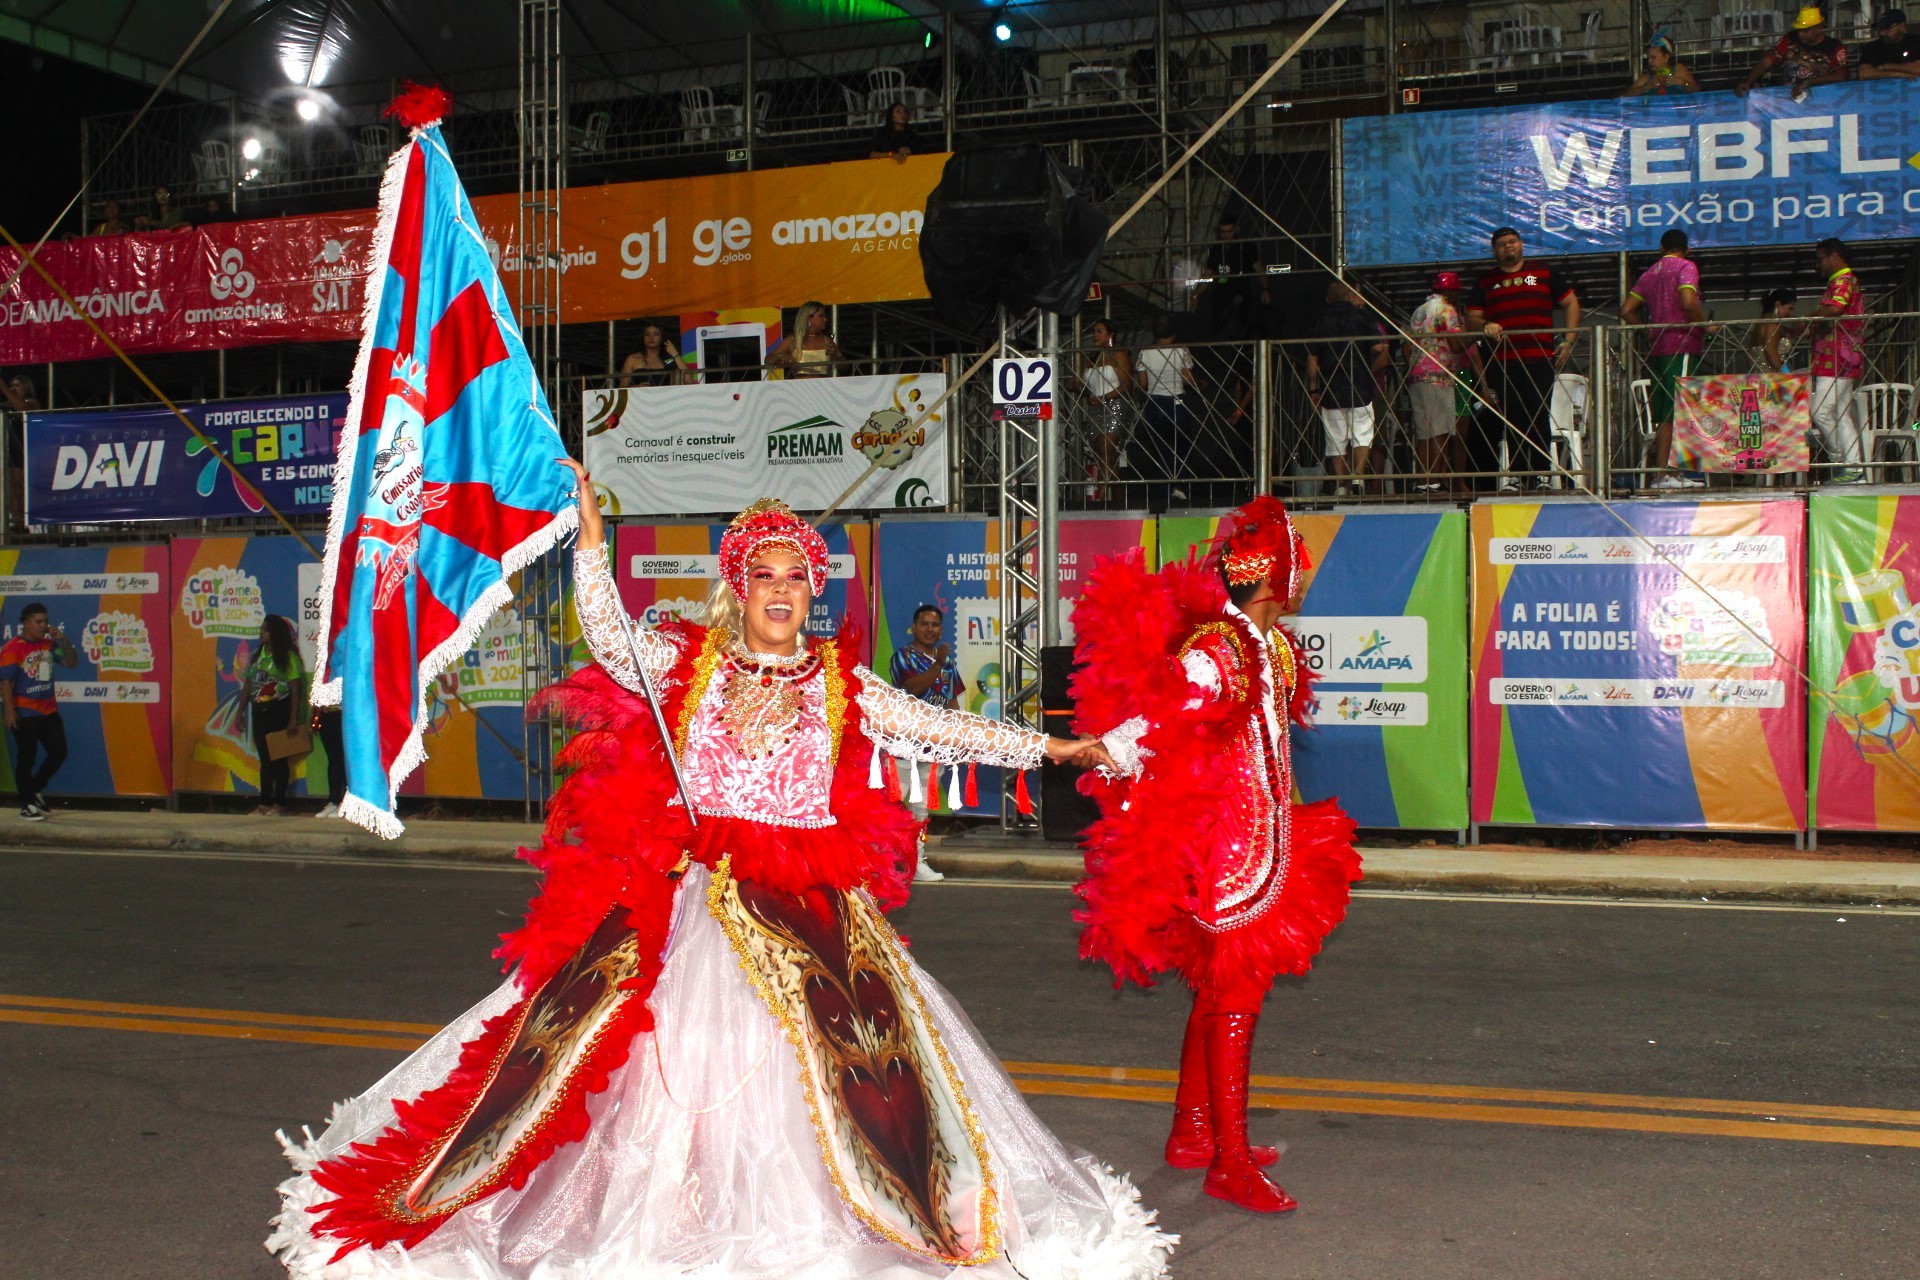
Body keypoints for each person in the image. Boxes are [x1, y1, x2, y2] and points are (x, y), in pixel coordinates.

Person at [269, 470, 1176, 1279]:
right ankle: (663, 1212)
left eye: (796, 578)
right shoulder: (686, 662)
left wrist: (1065, 745)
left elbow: (950, 731)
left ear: (813, 592)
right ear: (736, 589)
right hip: (690, 894)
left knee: (840, 1070)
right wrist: (590, 535)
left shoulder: (842, 684)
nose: (781, 592)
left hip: (810, 902)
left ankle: (828, 1220)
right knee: (626, 1058)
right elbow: (611, 639)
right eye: (764, 577)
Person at [1070, 495, 1362, 1214]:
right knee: (1235, 994)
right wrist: (1113, 755)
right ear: (1273, 575)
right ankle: (1228, 1162)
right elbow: (1155, 713)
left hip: (1266, 835)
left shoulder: (1274, 647)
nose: (1303, 570)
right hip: (1222, 848)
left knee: (1222, 990)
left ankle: (1191, 1132)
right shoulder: (1217, 650)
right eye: (1297, 556)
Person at [1465, 226, 1581, 493]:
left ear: (1521, 245)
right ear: (1495, 250)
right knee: (1512, 417)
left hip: (1539, 358)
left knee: (1538, 414)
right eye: (1503, 244)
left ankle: (1541, 475)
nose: (1509, 247)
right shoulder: (1485, 281)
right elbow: (1471, 317)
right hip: (1504, 360)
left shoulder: (1544, 272)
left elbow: (1571, 303)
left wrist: (1569, 340)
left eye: (1513, 242)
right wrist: (1486, 324)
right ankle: (1516, 476)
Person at [1620, 229, 1709, 489]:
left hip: (1658, 347)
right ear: (1687, 249)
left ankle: (1662, 473)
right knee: (1680, 409)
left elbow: (1626, 310)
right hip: (1681, 342)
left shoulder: (1650, 273)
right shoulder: (1686, 266)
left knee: (1664, 412)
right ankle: (1670, 473)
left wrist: (1647, 331)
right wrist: (1704, 325)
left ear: (1661, 248)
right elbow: (1688, 301)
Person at [888, 603, 967, 882]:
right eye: (925, 624)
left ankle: (916, 861)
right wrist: (937, 663)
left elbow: (952, 698)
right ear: (914, 627)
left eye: (935, 625)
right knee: (893, 803)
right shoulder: (903, 657)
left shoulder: (947, 662)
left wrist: (958, 733)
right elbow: (913, 688)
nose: (930, 629)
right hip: (904, 742)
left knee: (921, 808)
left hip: (934, 744)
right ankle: (883, 862)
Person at [1306, 278, 1389, 496]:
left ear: (1328, 299)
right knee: (1362, 433)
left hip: (1331, 388)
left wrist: (1314, 389)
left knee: (1335, 437)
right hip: (1360, 385)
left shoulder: (1321, 321)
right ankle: (1358, 478)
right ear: (1348, 296)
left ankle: (1341, 484)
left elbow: (1312, 361)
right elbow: (1380, 347)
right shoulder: (1361, 316)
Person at [0, 603, 77, 820]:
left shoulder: (49, 645)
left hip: (48, 709)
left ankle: (33, 790)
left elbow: (71, 662)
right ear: (26, 623)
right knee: (27, 758)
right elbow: (5, 681)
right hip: (24, 711)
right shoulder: (13, 647)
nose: (43, 625)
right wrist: (9, 710)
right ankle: (26, 805)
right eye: (38, 622)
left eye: (45, 621)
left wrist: (62, 640)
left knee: (59, 751)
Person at [1810, 237, 1868, 483]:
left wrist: (1810, 317)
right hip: (1843, 357)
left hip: (1837, 356)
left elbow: (1834, 309)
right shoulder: (1844, 279)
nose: (1818, 265)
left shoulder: (1842, 279)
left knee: (1820, 411)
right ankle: (1853, 467)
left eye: (1820, 259)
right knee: (1840, 414)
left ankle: (1841, 461)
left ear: (1833, 255)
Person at [1406, 270, 1469, 492]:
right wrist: (1474, 335)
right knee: (1440, 431)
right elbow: (1455, 345)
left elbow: (1407, 345)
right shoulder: (1447, 310)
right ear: (1452, 292)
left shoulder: (1418, 311)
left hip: (1416, 376)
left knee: (1423, 432)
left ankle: (1423, 481)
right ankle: (1434, 481)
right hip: (1438, 375)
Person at [246, 614, 306, 816]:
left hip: (279, 710)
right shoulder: (257, 655)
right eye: (261, 628)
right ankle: (264, 802)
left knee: (279, 758)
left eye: (265, 629)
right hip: (259, 712)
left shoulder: (288, 657)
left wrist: (292, 719)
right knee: (265, 759)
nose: (260, 632)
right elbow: (248, 686)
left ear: (276, 633)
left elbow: (295, 690)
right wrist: (239, 712)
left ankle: (279, 804)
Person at [1135, 317, 1194, 509]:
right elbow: (1187, 379)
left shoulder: (1145, 352)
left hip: (1155, 403)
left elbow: (1143, 384)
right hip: (1177, 402)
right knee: (1181, 448)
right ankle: (1180, 486)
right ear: (1173, 334)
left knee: (1159, 450)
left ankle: (1163, 492)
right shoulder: (1181, 351)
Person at [1073, 318, 1133, 504]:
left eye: (1099, 331)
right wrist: (1077, 386)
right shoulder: (1090, 359)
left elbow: (1127, 385)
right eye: (1094, 331)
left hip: (1115, 405)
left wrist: (1104, 398)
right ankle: (1117, 497)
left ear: (1110, 334)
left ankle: (1103, 493)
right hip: (1095, 408)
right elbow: (1085, 388)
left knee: (1107, 450)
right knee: (1103, 454)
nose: (1095, 335)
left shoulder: (1118, 354)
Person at [1737, 7, 1849, 97]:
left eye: (1806, 30)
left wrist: (1807, 83)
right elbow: (1767, 61)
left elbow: (1841, 76)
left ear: (1819, 28)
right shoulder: (1789, 39)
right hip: (1788, 97)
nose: (1801, 34)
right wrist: (1748, 81)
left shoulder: (1834, 46)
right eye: (1799, 30)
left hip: (1821, 98)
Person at [766, 300, 843, 378]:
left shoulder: (827, 341)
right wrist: (783, 357)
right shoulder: (793, 340)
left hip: (824, 388)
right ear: (809, 318)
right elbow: (768, 359)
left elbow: (845, 368)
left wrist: (837, 355)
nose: (825, 319)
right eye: (821, 316)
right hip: (800, 388)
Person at [1625, 35, 1700, 94]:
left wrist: (1682, 83)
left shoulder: (1678, 69)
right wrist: (1647, 87)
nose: (1649, 61)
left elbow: (1696, 90)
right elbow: (1627, 95)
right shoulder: (1647, 77)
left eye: (1653, 57)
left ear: (1666, 57)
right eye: (1648, 58)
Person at [618, 322, 684, 387]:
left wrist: (675, 353)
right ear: (643, 338)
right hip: (640, 397)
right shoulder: (632, 359)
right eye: (647, 334)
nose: (651, 337)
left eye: (656, 334)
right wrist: (636, 388)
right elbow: (622, 388)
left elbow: (688, 380)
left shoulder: (668, 360)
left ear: (662, 337)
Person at [1858, 8, 1920, 75]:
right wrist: (1897, 74)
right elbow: (1864, 73)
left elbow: (1918, 69)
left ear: (1902, 26)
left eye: (1887, 28)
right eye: (1880, 29)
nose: (1882, 33)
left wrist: (1886, 67)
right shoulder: (1873, 47)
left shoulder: (1916, 42)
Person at [1755, 288, 1800, 372]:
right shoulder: (1772, 325)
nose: (1790, 313)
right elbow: (1769, 350)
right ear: (1778, 305)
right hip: (1771, 375)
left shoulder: (1764, 321)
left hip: (1762, 373)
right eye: (1790, 308)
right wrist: (1786, 373)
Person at [313, 706, 345, 819]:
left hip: (342, 714)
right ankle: (333, 801)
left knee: (342, 759)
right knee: (333, 760)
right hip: (325, 716)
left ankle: (346, 802)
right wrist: (315, 719)